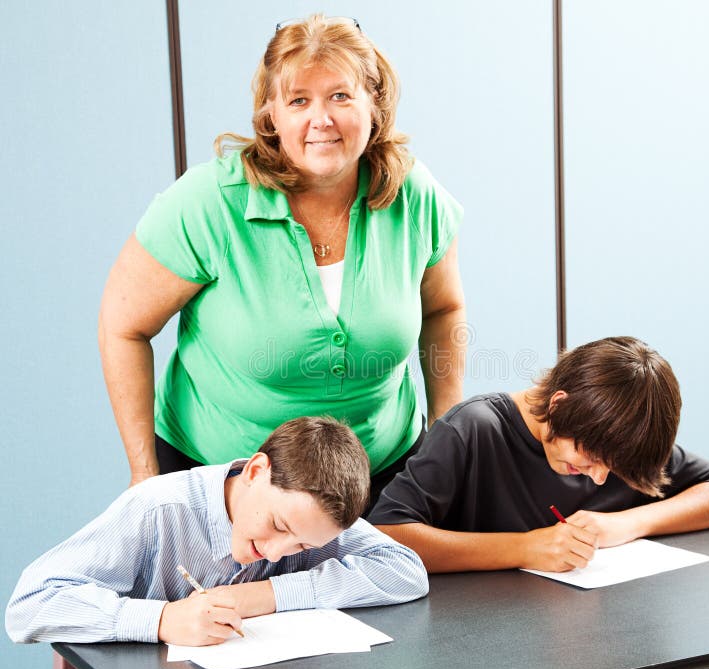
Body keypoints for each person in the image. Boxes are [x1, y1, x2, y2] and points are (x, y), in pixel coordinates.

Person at [98, 14, 466, 509]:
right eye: (299, 100)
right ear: (271, 113)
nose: (322, 119)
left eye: (341, 96)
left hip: (384, 479)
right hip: (227, 488)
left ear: (374, 106)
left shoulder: (413, 196)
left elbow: (444, 311)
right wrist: (144, 476)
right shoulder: (210, 204)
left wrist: (445, 436)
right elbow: (123, 327)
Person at [6, 417, 428, 645]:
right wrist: (162, 620)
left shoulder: (314, 522)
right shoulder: (157, 509)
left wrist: (264, 595)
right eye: (278, 525)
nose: (279, 553)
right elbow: (29, 604)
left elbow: (406, 570)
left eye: (301, 544)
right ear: (257, 470)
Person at [368, 336, 709, 573]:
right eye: (592, 458)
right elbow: (388, 534)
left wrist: (629, 523)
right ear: (559, 405)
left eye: (612, 468)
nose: (600, 477)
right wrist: (525, 548)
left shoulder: (618, 442)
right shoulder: (474, 429)